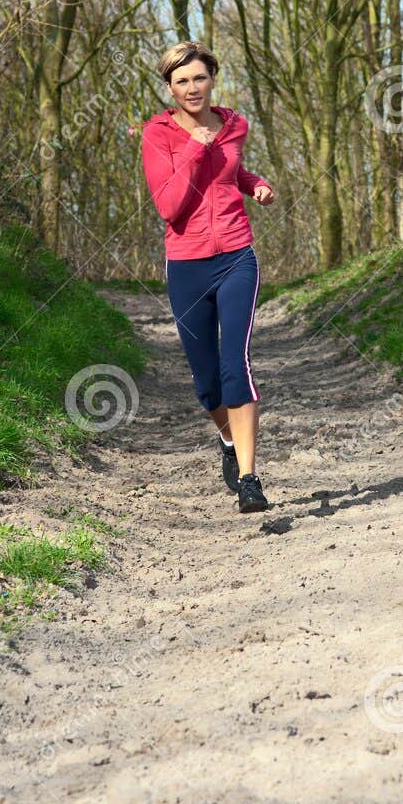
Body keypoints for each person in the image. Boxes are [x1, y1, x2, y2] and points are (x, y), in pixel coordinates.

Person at [141, 41, 275, 512]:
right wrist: (196, 152)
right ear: (170, 88)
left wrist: (252, 183)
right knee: (206, 383)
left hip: (237, 256)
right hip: (187, 263)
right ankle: (227, 439)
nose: (192, 88)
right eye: (181, 81)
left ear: (212, 77)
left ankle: (249, 478)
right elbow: (168, 205)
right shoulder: (157, 134)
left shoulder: (235, 124)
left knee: (235, 365)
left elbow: (228, 170)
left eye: (199, 78)